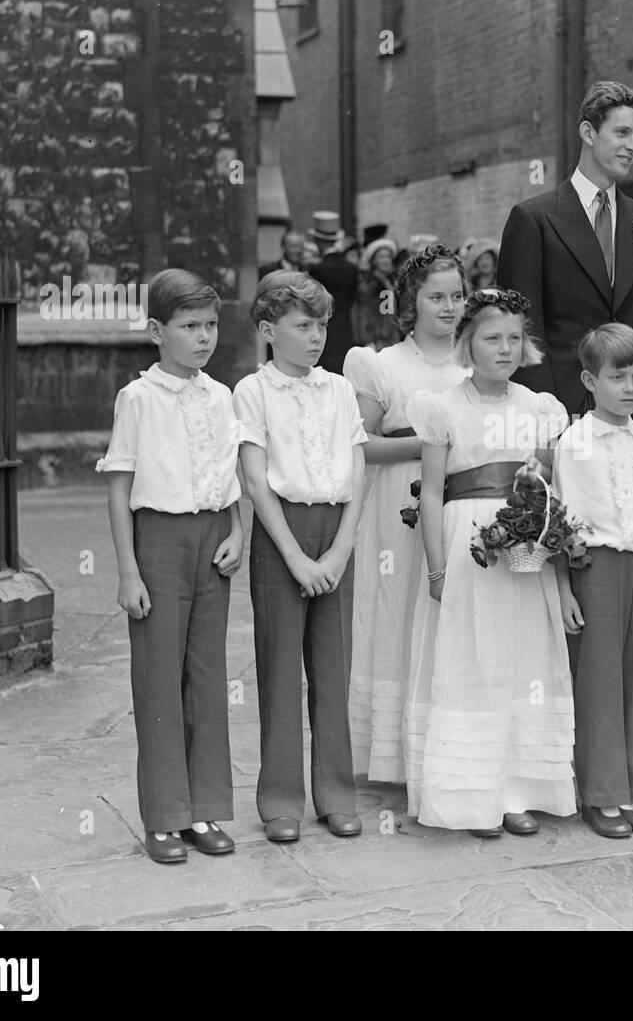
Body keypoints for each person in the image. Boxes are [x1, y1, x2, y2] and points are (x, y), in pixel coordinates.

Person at [404, 288, 577, 836]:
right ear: (466, 344)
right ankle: (470, 792)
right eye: (490, 338)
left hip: (525, 549)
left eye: (513, 338)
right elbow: (432, 492)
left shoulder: (539, 407)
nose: (504, 349)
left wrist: (545, 536)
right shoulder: (442, 407)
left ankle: (518, 790)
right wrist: (436, 568)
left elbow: (549, 486)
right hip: (466, 544)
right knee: (472, 658)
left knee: (521, 659)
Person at [97, 269, 244, 864]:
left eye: (210, 325)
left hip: (213, 541)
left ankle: (204, 809)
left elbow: (232, 476)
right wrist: (128, 571)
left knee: (208, 680)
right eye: (189, 327)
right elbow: (118, 487)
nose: (203, 337)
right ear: (157, 331)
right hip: (158, 540)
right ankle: (163, 816)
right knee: (159, 679)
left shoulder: (222, 395)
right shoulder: (137, 398)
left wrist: (238, 531)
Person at [233, 271, 367, 842]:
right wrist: (294, 557)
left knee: (333, 671)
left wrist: (340, 550)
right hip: (280, 534)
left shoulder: (337, 389)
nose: (317, 337)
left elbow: (359, 469)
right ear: (268, 329)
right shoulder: (252, 391)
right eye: (303, 325)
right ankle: (280, 800)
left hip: (334, 533)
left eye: (323, 325)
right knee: (281, 670)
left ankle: (336, 794)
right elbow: (257, 482)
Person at [497, 80, 633, 439]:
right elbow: (523, 332)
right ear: (588, 131)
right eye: (622, 133)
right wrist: (542, 421)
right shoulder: (533, 220)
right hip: (565, 409)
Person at [344, 245, 471, 783]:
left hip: (462, 503)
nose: (449, 307)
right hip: (400, 502)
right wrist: (429, 444)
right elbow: (361, 443)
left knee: (453, 611)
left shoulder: (476, 362)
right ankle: (395, 756)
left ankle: (449, 746)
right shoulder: (381, 365)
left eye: (458, 296)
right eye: (435, 296)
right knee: (400, 609)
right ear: (409, 302)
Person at [553, 324, 633, 839]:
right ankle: (600, 794)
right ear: (589, 380)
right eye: (617, 377)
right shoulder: (576, 441)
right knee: (598, 682)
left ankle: (630, 788)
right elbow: (565, 518)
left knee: (632, 678)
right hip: (595, 566)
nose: (629, 388)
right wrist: (565, 589)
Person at [309, 211, 359, 373]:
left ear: (318, 240)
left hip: (325, 330)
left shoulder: (317, 269)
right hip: (346, 328)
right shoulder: (351, 268)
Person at [352, 237, 401, 350]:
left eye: (388, 256)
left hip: (394, 339)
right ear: (373, 261)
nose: (385, 260)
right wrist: (368, 341)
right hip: (378, 343)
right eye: (381, 257)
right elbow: (362, 315)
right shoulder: (367, 285)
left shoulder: (393, 282)